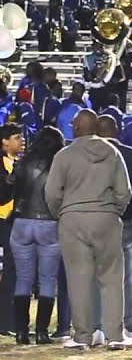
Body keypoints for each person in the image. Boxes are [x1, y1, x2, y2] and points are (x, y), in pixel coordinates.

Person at [44, 109, 132, 350]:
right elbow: (125, 191)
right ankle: (114, 335)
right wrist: (113, 211)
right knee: (112, 278)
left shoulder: (64, 156)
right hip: (106, 218)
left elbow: (51, 193)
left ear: (77, 128)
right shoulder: (112, 152)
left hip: (73, 219)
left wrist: (62, 213)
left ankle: (83, 335)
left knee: (78, 279)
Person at [96, 114, 132, 346]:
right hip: (125, 221)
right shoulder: (131, 154)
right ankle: (130, 327)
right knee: (130, 277)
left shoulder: (84, 155)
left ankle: (97, 327)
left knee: (95, 276)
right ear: (118, 130)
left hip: (94, 222)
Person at [8, 127, 62, 344]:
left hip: (21, 222)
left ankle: (21, 332)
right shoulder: (59, 164)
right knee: (47, 280)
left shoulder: (23, 162)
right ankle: (41, 332)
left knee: (23, 279)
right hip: (49, 223)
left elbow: (12, 189)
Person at [0, 124, 24, 338]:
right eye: (17, 137)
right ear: (4, 141)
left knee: (13, 273)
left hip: (15, 223)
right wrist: (12, 178)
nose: (22, 141)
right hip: (1, 222)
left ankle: (8, 321)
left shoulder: (21, 164)